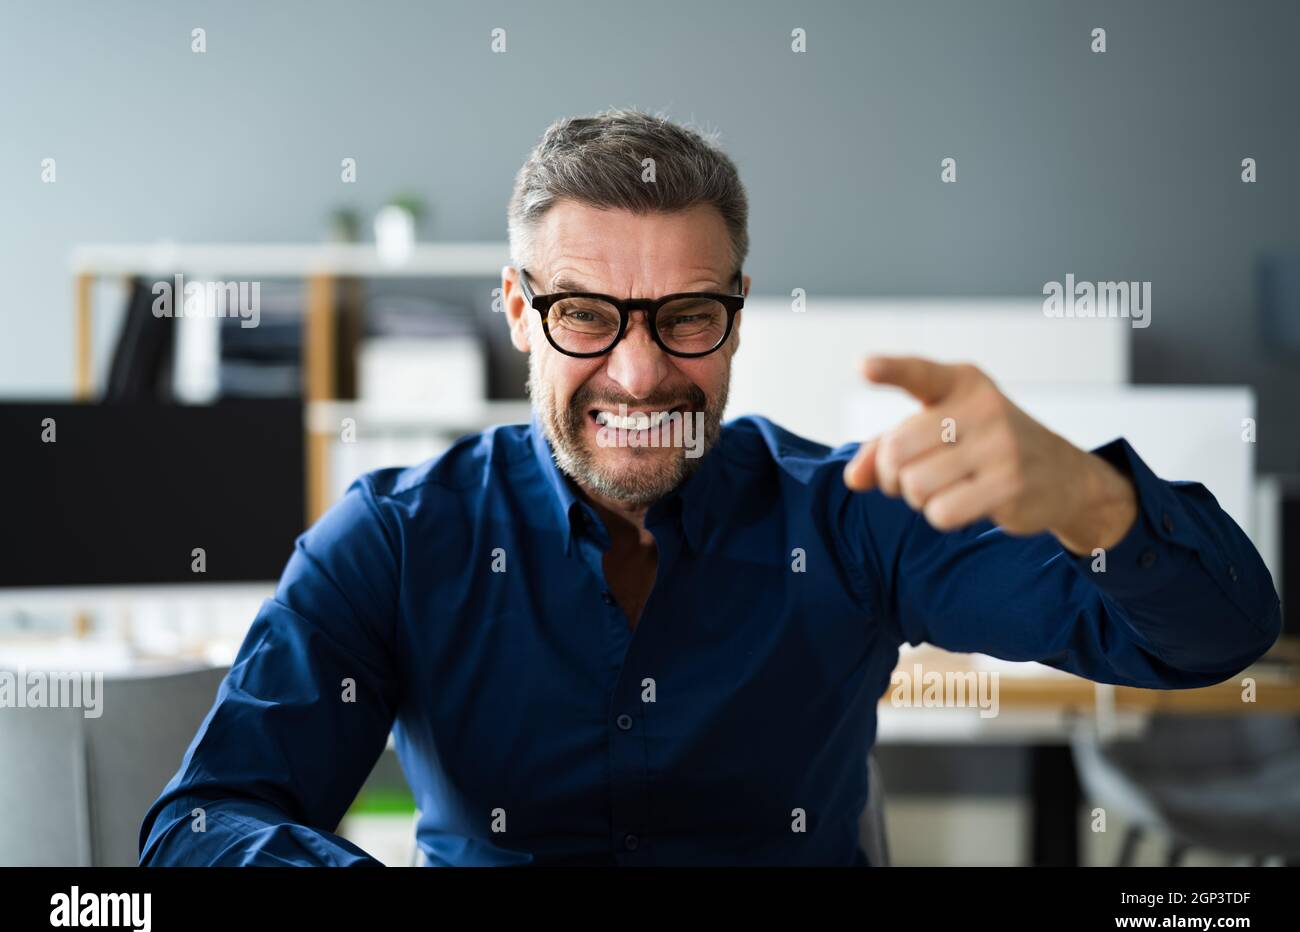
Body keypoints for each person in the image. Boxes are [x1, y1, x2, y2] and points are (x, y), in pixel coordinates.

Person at [140, 108, 1280, 866]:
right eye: (586, 311)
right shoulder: (393, 539)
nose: (639, 370)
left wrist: (1094, 503)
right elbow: (199, 824)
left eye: (686, 315)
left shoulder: (850, 514)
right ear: (518, 312)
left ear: (735, 308)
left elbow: (1211, 636)